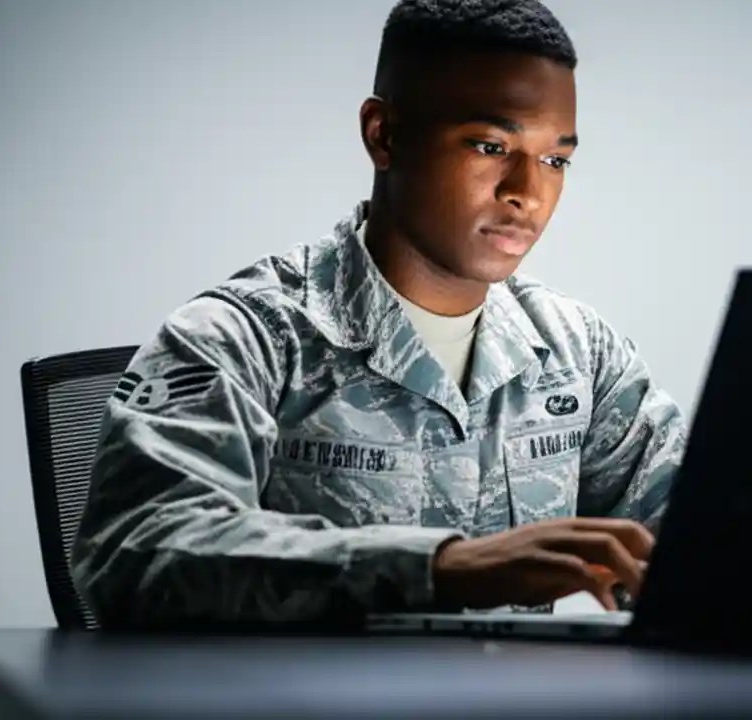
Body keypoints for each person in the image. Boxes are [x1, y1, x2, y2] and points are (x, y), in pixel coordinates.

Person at [70, 0, 687, 628]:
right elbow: (135, 552)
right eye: (489, 144)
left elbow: (702, 541)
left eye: (555, 160)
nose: (526, 192)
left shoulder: (577, 353)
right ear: (383, 135)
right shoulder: (245, 337)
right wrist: (440, 566)